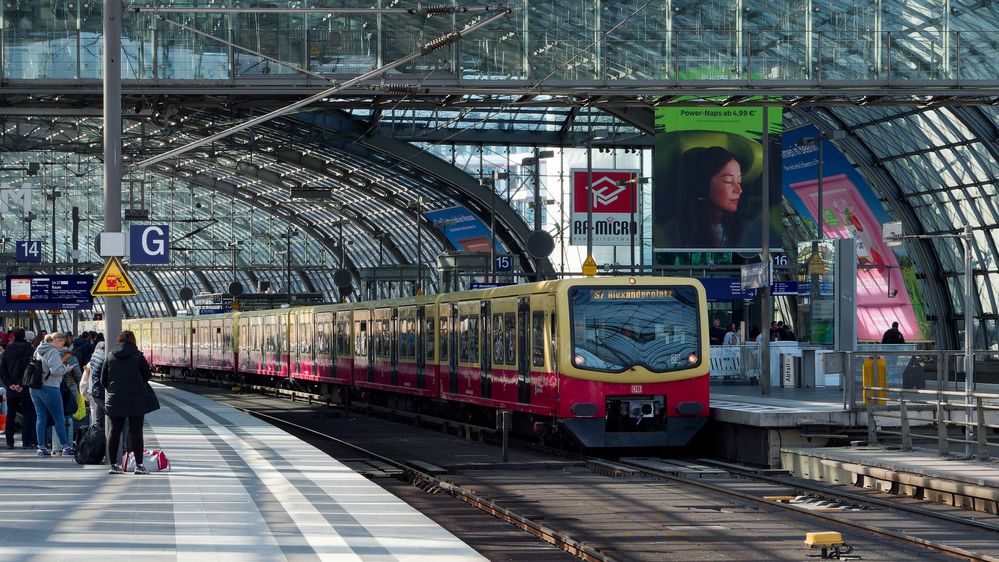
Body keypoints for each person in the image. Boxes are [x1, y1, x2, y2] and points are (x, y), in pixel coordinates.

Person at [102, 330, 159, 475]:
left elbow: (103, 379)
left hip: (115, 399)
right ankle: (139, 466)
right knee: (136, 432)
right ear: (133, 340)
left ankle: (113, 465)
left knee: (114, 431)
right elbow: (147, 375)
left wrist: (114, 389)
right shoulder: (138, 356)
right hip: (136, 399)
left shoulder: (110, 355)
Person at [671, 146, 746, 248]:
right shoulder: (676, 232)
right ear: (704, 185)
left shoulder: (745, 229)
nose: (739, 190)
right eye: (728, 181)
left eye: (739, 181)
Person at [30, 332, 74, 457]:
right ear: (56, 340)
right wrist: (66, 369)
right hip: (50, 388)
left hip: (35, 388)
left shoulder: (37, 350)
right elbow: (55, 370)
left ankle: (41, 448)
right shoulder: (53, 351)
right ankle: (66, 447)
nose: (62, 346)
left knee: (40, 418)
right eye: (61, 343)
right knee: (59, 417)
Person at [0, 328, 37, 449]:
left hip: (11, 389)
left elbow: (3, 370)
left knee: (11, 414)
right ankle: (26, 441)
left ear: (13, 336)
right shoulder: (30, 349)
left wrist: (10, 384)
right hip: (25, 388)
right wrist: (22, 384)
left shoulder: (8, 350)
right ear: (24, 336)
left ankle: (9, 441)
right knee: (28, 414)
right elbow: (31, 368)